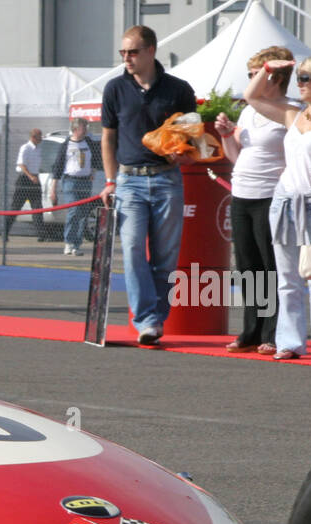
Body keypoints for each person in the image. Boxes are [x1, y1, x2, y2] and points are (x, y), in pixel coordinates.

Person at [245, 54, 311, 362]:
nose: (299, 84)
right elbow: (252, 96)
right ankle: (289, 341)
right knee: (287, 278)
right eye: (298, 78)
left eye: (306, 78)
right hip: (284, 200)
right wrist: (267, 70)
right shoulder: (294, 115)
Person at [100, 26, 198, 345]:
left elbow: (193, 138)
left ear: (151, 51)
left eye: (133, 52)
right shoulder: (114, 88)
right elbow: (108, 137)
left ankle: (156, 317)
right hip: (129, 180)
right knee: (131, 249)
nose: (126, 58)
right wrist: (111, 180)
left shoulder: (179, 89)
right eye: (123, 53)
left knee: (166, 256)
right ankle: (146, 319)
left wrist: (181, 154)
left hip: (167, 179)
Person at [214, 46, 295, 356]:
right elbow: (237, 156)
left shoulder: (289, 110)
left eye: (256, 74)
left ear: (272, 77)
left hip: (270, 195)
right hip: (242, 193)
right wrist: (225, 135)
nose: (251, 81)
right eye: (250, 75)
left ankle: (273, 332)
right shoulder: (249, 111)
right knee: (248, 266)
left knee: (270, 265)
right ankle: (250, 329)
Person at [49, 118, 102, 256]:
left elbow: (97, 158)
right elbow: (58, 166)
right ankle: (69, 242)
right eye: (83, 128)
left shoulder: (88, 142)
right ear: (75, 129)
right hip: (70, 181)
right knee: (74, 211)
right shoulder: (66, 144)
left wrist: (93, 171)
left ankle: (76, 245)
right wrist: (53, 188)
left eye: (86, 127)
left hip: (85, 181)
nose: (85, 130)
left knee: (83, 213)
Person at [7, 129, 45, 239]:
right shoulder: (25, 148)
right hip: (25, 179)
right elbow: (21, 164)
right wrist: (30, 176)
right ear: (33, 137)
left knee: (37, 207)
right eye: (39, 136)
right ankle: (5, 231)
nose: (41, 138)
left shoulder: (38, 149)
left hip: (35, 179)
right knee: (16, 207)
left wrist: (35, 176)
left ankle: (41, 234)